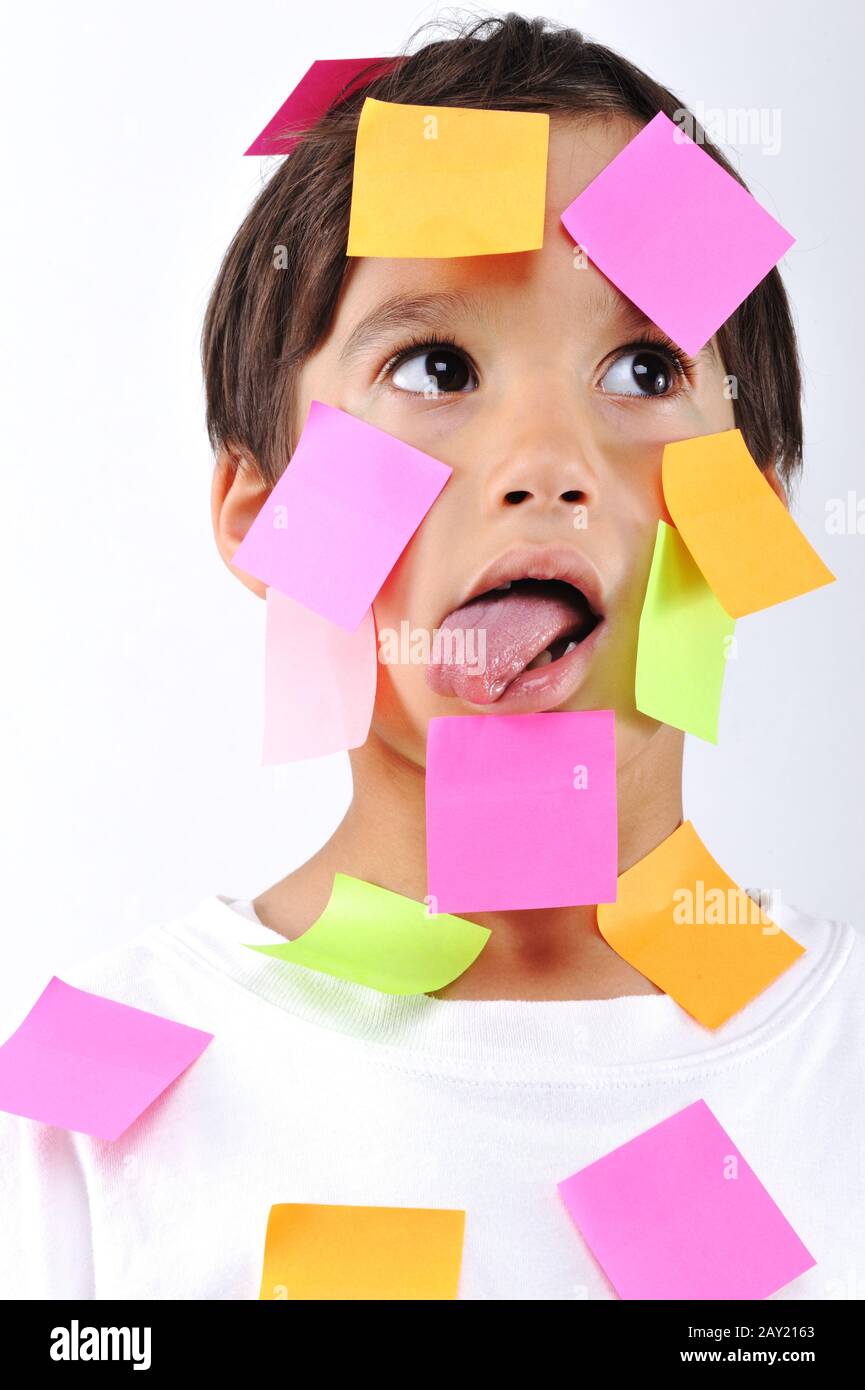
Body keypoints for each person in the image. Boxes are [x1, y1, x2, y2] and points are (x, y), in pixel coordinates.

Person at [1, 13, 862, 1301]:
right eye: (436, 363)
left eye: (643, 367)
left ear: (760, 508)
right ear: (261, 515)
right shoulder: (80, 1128)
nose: (546, 468)